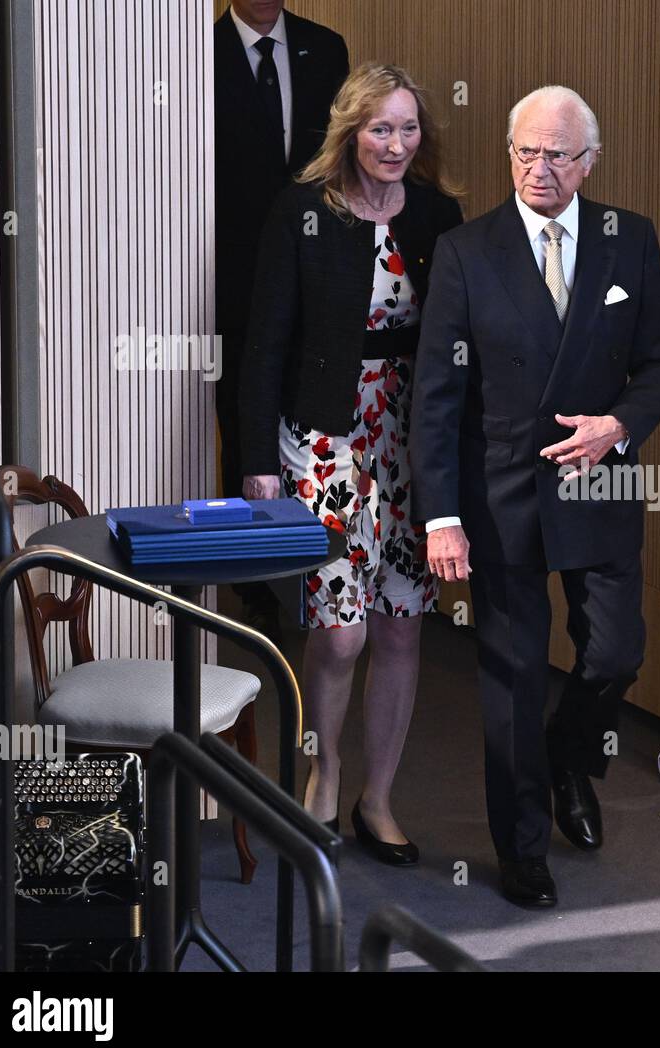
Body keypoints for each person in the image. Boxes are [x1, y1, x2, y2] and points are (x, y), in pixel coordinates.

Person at [411, 85, 660, 906]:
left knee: (614, 654)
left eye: (558, 154)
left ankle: (572, 755)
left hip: (599, 484)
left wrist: (618, 426)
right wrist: (443, 516)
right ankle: (523, 845)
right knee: (514, 678)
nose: (540, 168)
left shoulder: (628, 241)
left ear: (589, 162)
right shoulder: (466, 253)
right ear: (509, 155)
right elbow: (436, 398)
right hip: (501, 501)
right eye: (526, 151)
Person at [240, 64, 463, 866]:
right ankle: (324, 772)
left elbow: (459, 343)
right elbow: (264, 343)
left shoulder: (438, 215)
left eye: (407, 129)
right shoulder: (303, 212)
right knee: (342, 632)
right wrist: (258, 458)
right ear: (350, 132)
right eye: (379, 129)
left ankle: (379, 798)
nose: (395, 144)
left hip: (411, 442)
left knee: (403, 625)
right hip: (327, 439)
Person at [214, 0, 349, 638]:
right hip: (235, 275)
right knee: (248, 413)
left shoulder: (326, 49)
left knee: (311, 410)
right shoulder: (198, 55)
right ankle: (255, 582)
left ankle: (311, 566)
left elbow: (339, 161)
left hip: (319, 267)